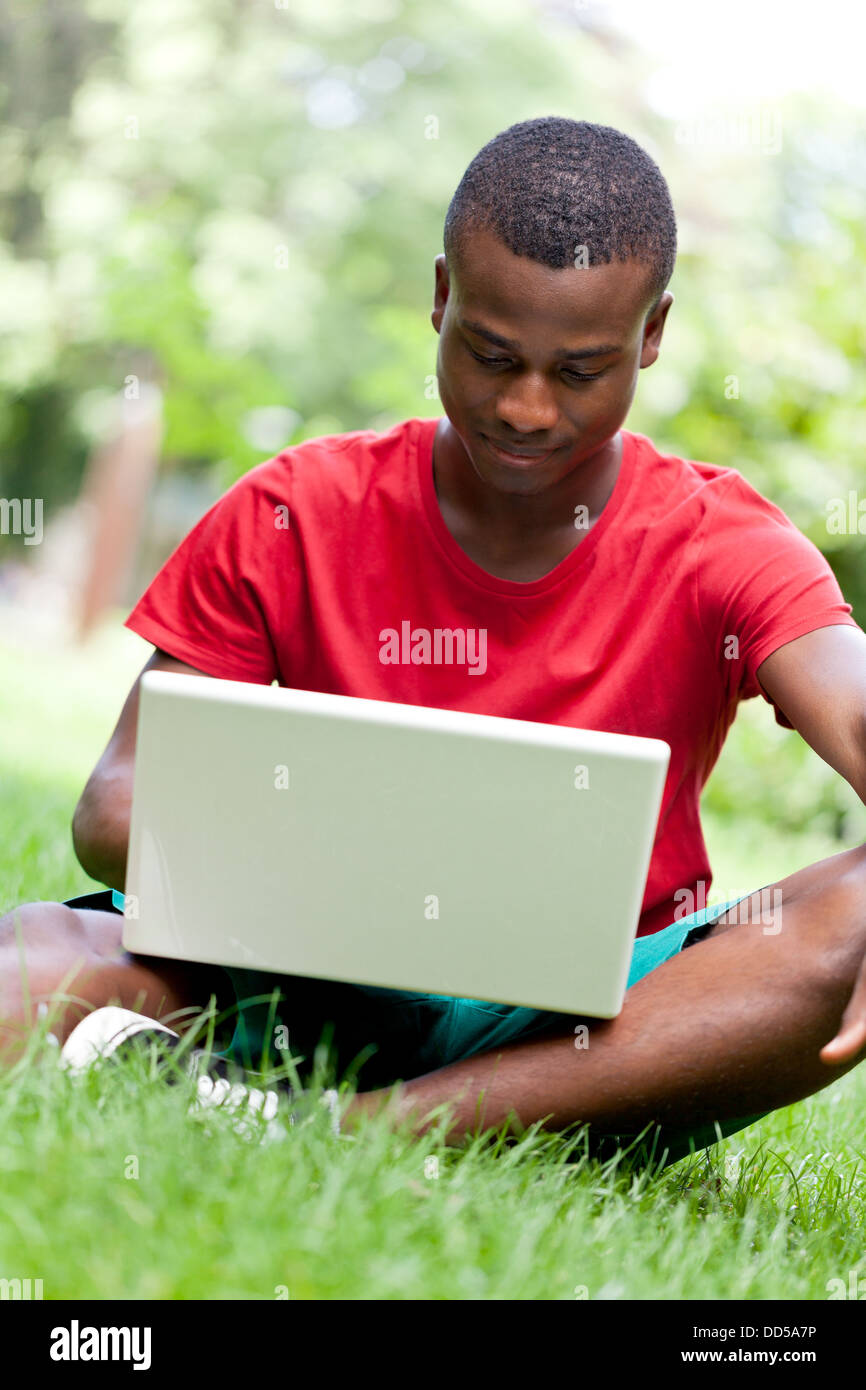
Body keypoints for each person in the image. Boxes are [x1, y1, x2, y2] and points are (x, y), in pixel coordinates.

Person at [4, 117, 866, 1168]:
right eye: (489, 353)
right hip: (289, 973)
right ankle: (384, 1108)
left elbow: (850, 695)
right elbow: (116, 806)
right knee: (29, 966)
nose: (524, 407)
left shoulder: (720, 543)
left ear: (651, 334)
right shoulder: (297, 507)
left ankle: (348, 1128)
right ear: (438, 297)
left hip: (585, 1031)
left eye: (579, 370)